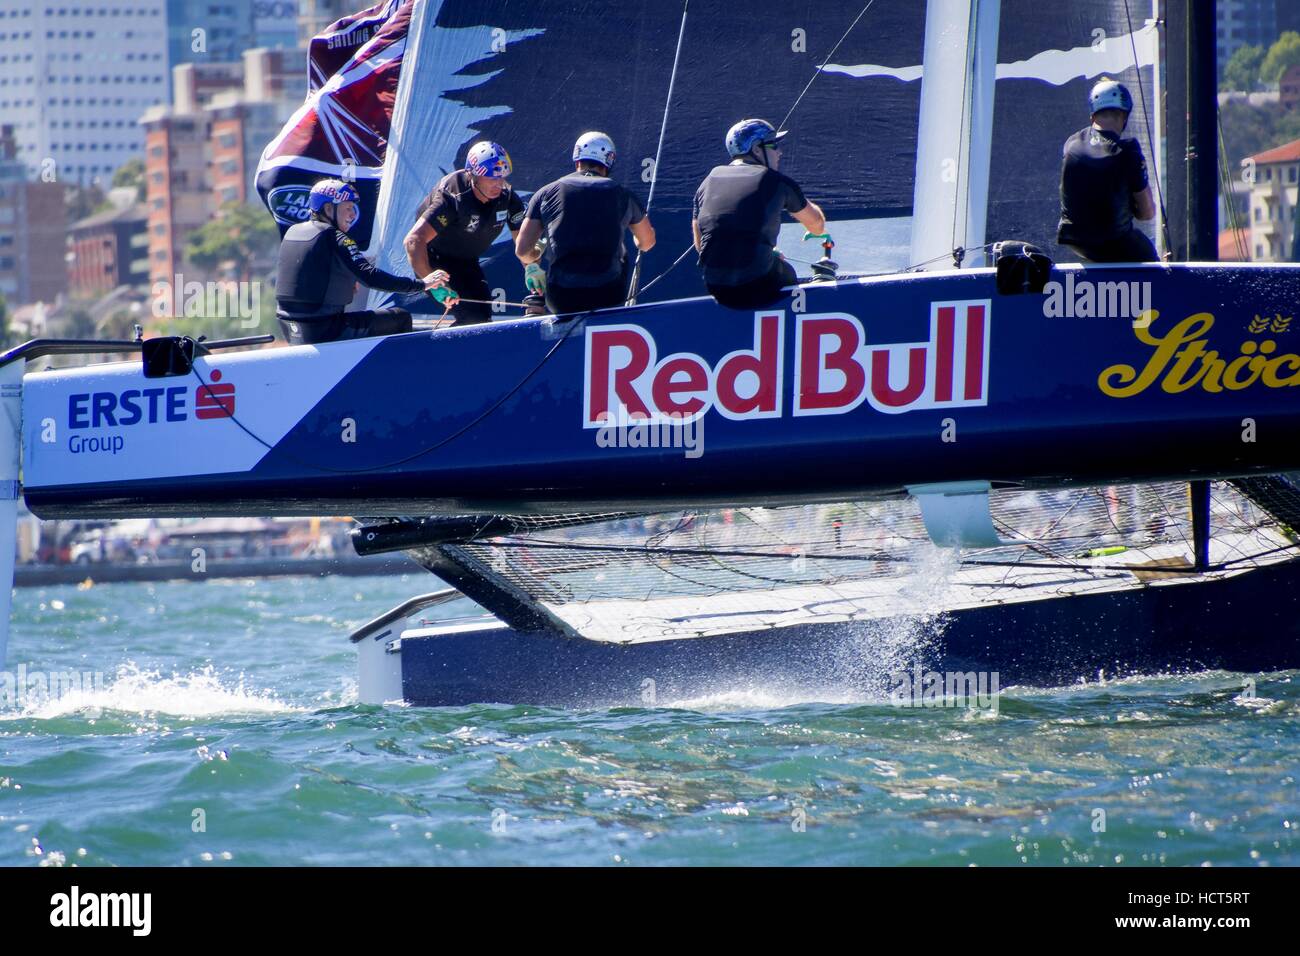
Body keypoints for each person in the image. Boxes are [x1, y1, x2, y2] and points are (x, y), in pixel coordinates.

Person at [275, 179, 452, 345]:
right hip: (325, 328)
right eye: (348, 208)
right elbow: (370, 277)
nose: (353, 214)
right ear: (328, 209)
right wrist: (422, 284)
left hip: (290, 327)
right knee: (400, 317)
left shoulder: (293, 232)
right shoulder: (335, 237)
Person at [514, 131, 655, 315]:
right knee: (622, 250)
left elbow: (522, 251)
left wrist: (537, 254)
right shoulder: (623, 194)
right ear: (609, 161)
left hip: (561, 298)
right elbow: (648, 242)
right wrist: (638, 241)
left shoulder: (546, 192)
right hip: (609, 296)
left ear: (577, 158)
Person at [692, 118, 827, 309]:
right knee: (786, 270)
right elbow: (817, 226)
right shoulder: (777, 181)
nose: (779, 152)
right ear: (756, 149)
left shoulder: (707, 181)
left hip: (716, 287)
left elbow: (700, 245)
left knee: (768, 264)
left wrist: (766, 254)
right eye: (774, 145)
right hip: (758, 285)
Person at [403, 141, 539, 325]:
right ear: (473, 174)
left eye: (502, 177)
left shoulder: (507, 197)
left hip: (466, 260)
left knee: (481, 319)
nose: (499, 184)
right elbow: (413, 240)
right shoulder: (453, 197)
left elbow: (523, 242)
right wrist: (430, 281)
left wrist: (532, 267)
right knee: (470, 316)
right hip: (435, 260)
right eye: (492, 178)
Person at [1057, 78, 1158, 263]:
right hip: (1116, 243)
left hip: (1074, 241)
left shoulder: (1071, 143)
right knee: (1148, 253)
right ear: (1124, 116)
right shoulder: (1129, 151)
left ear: (1092, 116)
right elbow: (1147, 213)